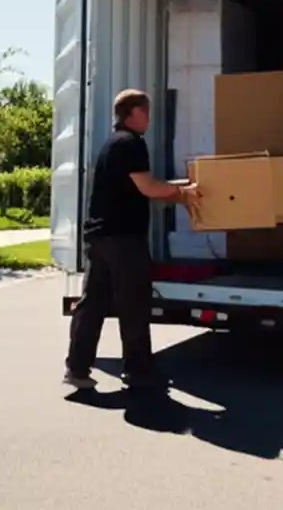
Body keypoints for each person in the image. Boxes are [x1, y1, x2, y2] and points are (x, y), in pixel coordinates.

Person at [64, 89, 201, 390]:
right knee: (134, 304)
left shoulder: (113, 144)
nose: (149, 118)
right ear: (134, 113)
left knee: (94, 303)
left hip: (99, 237)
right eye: (146, 112)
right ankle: (138, 370)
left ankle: (76, 368)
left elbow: (142, 186)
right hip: (123, 239)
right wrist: (182, 193)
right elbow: (149, 187)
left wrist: (182, 191)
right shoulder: (131, 143)